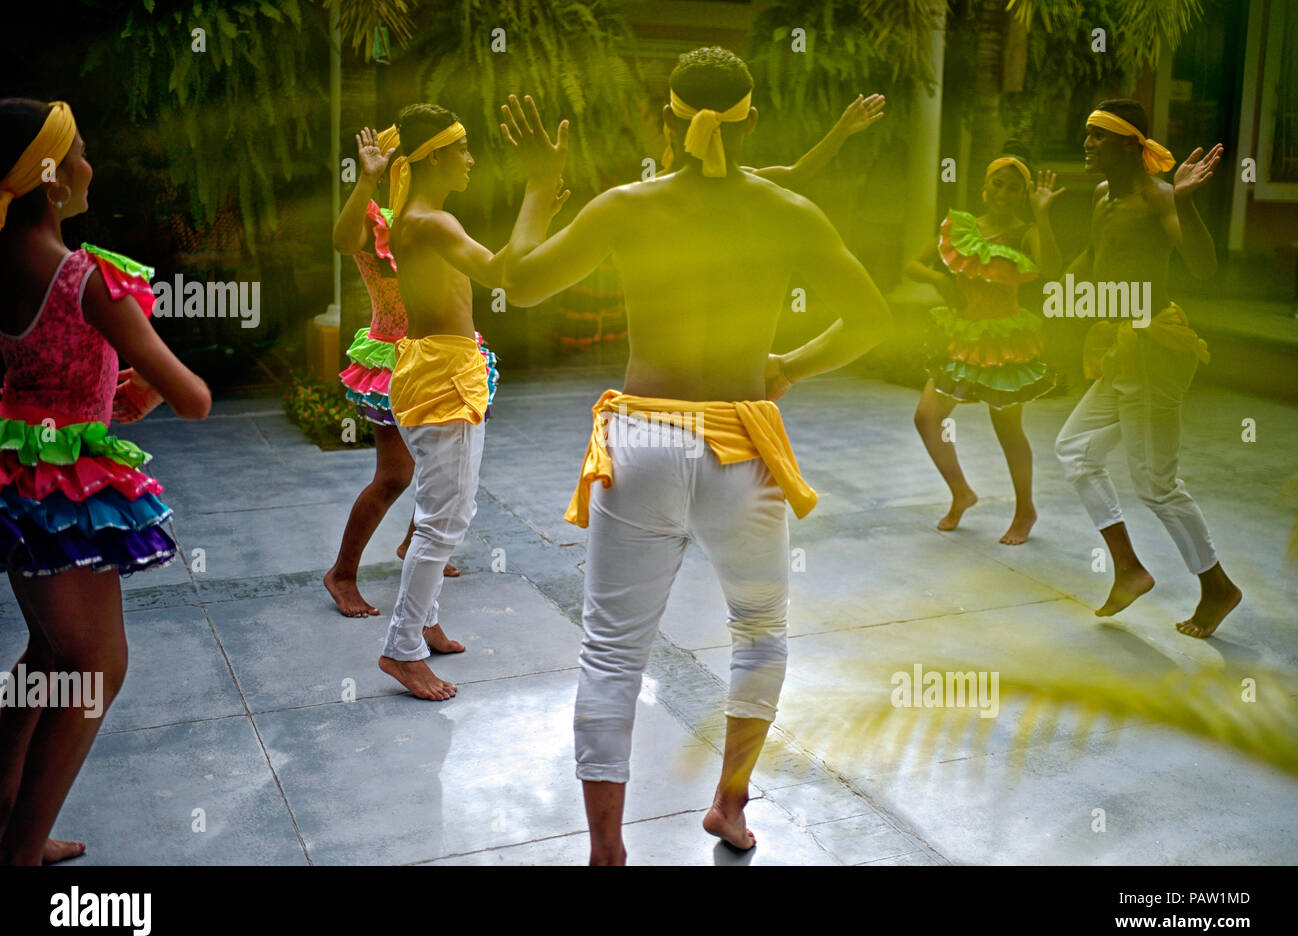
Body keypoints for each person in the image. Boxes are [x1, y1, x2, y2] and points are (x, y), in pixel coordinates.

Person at [495, 47, 892, 864]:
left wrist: (540, 185)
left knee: (610, 649)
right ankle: (730, 809)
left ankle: (608, 852)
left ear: (667, 120)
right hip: (742, 445)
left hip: (643, 440)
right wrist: (789, 367)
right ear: (751, 121)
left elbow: (520, 282)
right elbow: (871, 318)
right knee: (761, 635)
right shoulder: (788, 210)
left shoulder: (627, 205)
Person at [0, 99, 211, 865]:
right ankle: (18, 852)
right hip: (66, 502)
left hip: (16, 485)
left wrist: (108, 391)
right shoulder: (85, 278)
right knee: (97, 668)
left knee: (50, 657)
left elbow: (39, 377)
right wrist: (154, 380)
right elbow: (193, 398)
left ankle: (7, 815)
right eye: (81, 153)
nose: (93, 165)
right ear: (52, 178)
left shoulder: (5, 262)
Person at [375, 103, 567, 701]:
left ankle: (423, 623)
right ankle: (402, 649)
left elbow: (504, 267)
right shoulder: (431, 221)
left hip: (436, 369)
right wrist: (535, 191)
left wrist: (539, 211)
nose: (471, 158)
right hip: (441, 377)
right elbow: (504, 274)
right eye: (462, 148)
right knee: (443, 522)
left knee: (446, 516)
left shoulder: (427, 217)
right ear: (435, 156)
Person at [1053, 99, 1240, 637]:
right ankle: (1130, 570)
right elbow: (1096, 257)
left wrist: (1186, 203)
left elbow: (1204, 269)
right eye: (1086, 134)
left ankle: (1218, 588)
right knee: (1075, 449)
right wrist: (1054, 291)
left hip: (1156, 348)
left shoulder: (1160, 198)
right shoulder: (1100, 196)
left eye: (1098, 136)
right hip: (1120, 348)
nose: (1086, 144)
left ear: (1132, 145)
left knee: (1156, 484)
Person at [325, 125, 498, 618]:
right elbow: (341, 241)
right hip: (394, 360)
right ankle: (341, 573)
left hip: (445, 357)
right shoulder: (377, 219)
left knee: (443, 471)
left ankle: (416, 546)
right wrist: (365, 181)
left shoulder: (428, 218)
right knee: (394, 476)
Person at [903, 143, 1063, 543]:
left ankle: (1025, 510)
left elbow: (1052, 270)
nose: (1003, 193)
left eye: (1013, 188)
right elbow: (911, 264)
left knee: (1007, 430)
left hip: (1004, 339)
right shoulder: (962, 227)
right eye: (998, 185)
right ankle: (962, 492)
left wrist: (1043, 216)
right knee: (927, 417)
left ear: (1023, 195)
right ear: (985, 187)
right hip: (961, 334)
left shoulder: (1026, 234)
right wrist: (939, 279)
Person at [662, 92, 886, 188]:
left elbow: (795, 173)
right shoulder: (747, 182)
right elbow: (796, 173)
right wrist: (841, 130)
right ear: (750, 121)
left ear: (669, 121)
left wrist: (842, 130)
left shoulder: (639, 193)